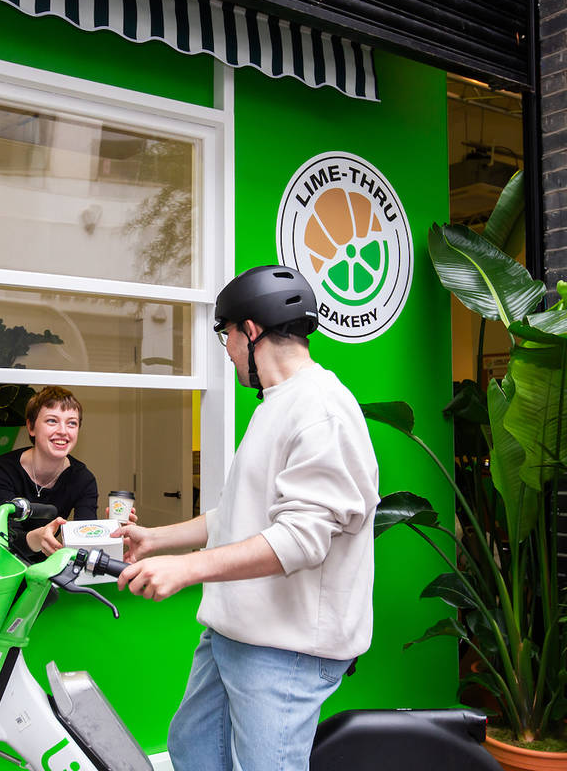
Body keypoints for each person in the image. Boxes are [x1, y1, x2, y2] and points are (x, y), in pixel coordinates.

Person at [114, 265, 380, 771]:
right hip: (232, 632)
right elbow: (238, 513)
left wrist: (188, 568)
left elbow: (300, 540)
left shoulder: (322, 412)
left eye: (227, 337)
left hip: (284, 650)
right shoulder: (274, 405)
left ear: (250, 331)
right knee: (192, 748)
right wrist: (156, 540)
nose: (230, 351)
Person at [0, 386, 98, 563]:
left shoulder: (83, 479)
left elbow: (85, 540)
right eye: (52, 421)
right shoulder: (4, 468)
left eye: (71, 423)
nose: (63, 431)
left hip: (38, 563)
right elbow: (4, 535)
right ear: (31, 427)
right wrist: (36, 539)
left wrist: (113, 531)